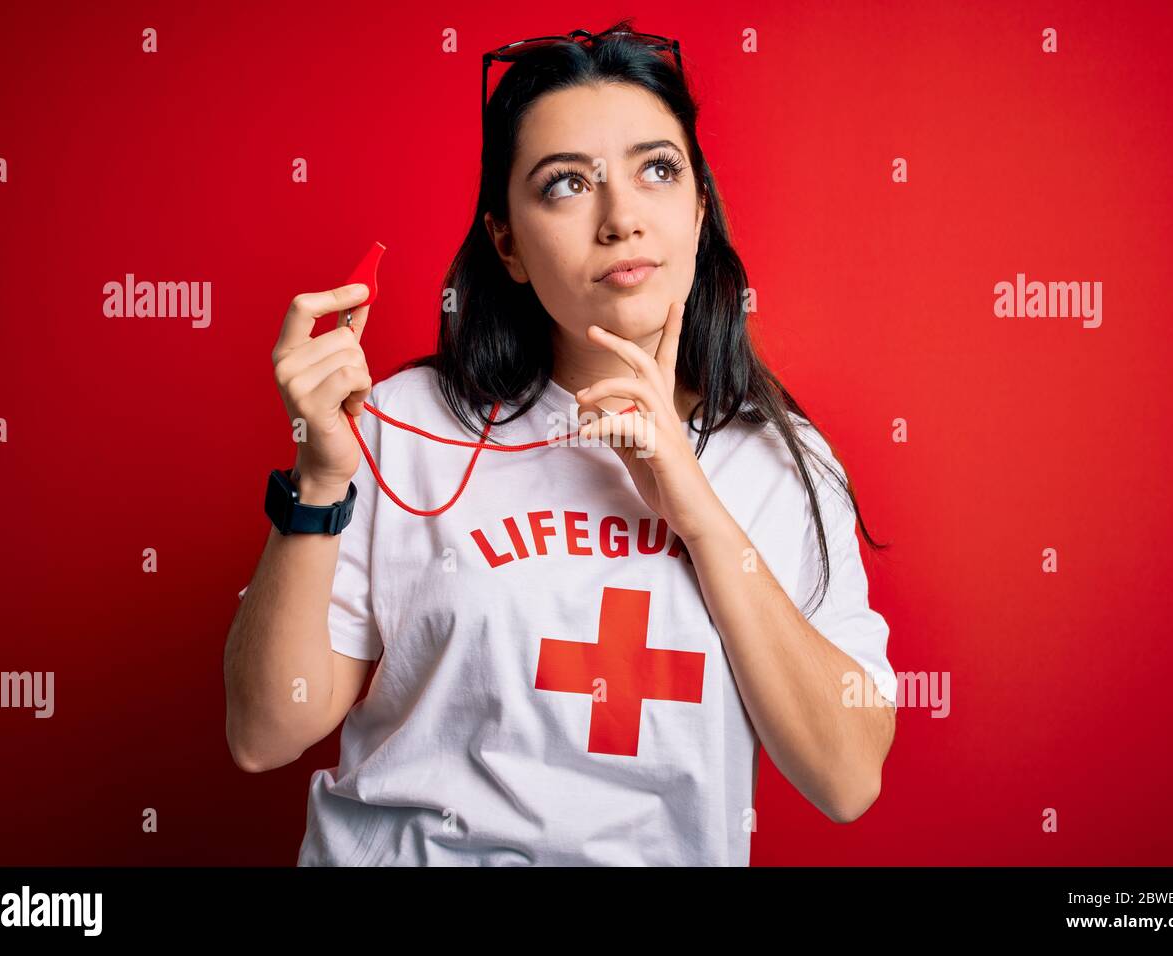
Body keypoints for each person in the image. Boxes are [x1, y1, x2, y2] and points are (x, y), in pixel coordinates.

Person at [223, 19, 898, 867]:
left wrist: (697, 510)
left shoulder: (778, 461)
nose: (621, 219)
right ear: (505, 240)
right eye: (566, 186)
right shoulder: (401, 424)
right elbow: (263, 732)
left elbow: (847, 778)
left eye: (658, 170)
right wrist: (318, 480)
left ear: (697, 210)